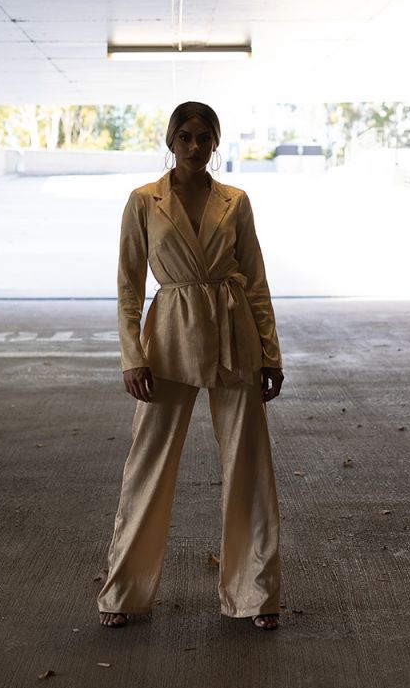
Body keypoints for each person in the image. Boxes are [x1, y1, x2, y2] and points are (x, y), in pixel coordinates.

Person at [97, 101, 286, 631]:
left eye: (205, 137)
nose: (196, 147)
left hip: (234, 338)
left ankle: (255, 593)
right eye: (186, 136)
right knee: (147, 466)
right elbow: (129, 287)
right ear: (171, 140)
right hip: (169, 340)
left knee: (248, 466)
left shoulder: (236, 202)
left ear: (216, 143)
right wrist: (132, 356)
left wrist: (270, 352)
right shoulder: (143, 202)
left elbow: (255, 280)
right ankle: (125, 592)